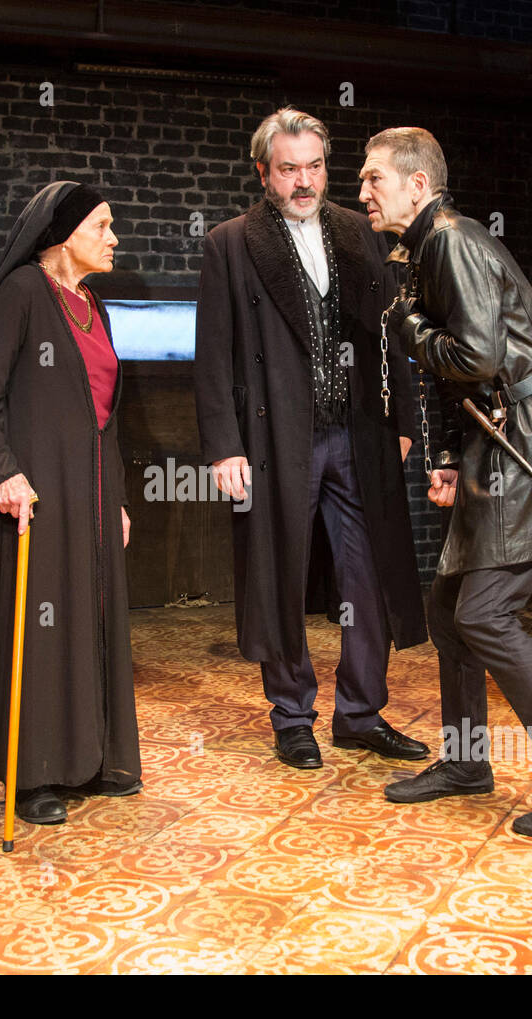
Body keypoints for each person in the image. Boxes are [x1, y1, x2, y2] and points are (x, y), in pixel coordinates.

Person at [363, 126, 532, 839]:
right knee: (452, 609)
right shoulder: (427, 244)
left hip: (526, 443)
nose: (362, 192)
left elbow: (473, 353)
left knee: (484, 613)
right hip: (502, 438)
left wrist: (410, 326)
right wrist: (449, 455)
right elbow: (465, 375)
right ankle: (469, 760)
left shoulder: (445, 239)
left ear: (418, 185)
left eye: (373, 178)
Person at [194, 107, 429, 771]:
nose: (304, 181)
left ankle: (359, 712)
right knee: (279, 575)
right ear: (264, 173)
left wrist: (405, 422)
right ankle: (293, 716)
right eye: (289, 168)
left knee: (368, 576)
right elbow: (212, 355)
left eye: (315, 166)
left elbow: (392, 335)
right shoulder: (231, 244)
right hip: (277, 439)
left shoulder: (360, 233)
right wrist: (224, 445)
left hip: (357, 432)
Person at [0, 181, 141, 827]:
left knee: (84, 622)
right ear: (66, 234)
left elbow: (107, 420)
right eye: (104, 225)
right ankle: (33, 772)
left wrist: (116, 499)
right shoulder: (21, 295)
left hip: (89, 492)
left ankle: (89, 758)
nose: (114, 238)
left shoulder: (95, 307)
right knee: (39, 629)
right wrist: (2, 472)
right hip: (33, 496)